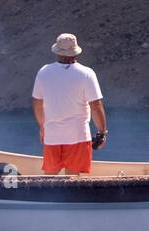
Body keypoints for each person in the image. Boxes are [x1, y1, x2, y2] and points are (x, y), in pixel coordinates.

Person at [31, 33, 107, 175]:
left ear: (57, 52)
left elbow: (37, 102)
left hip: (52, 135)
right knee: (72, 178)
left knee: (50, 178)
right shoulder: (86, 73)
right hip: (78, 135)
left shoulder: (43, 72)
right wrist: (102, 132)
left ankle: (46, 197)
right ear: (76, 52)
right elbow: (96, 105)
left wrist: (43, 126)